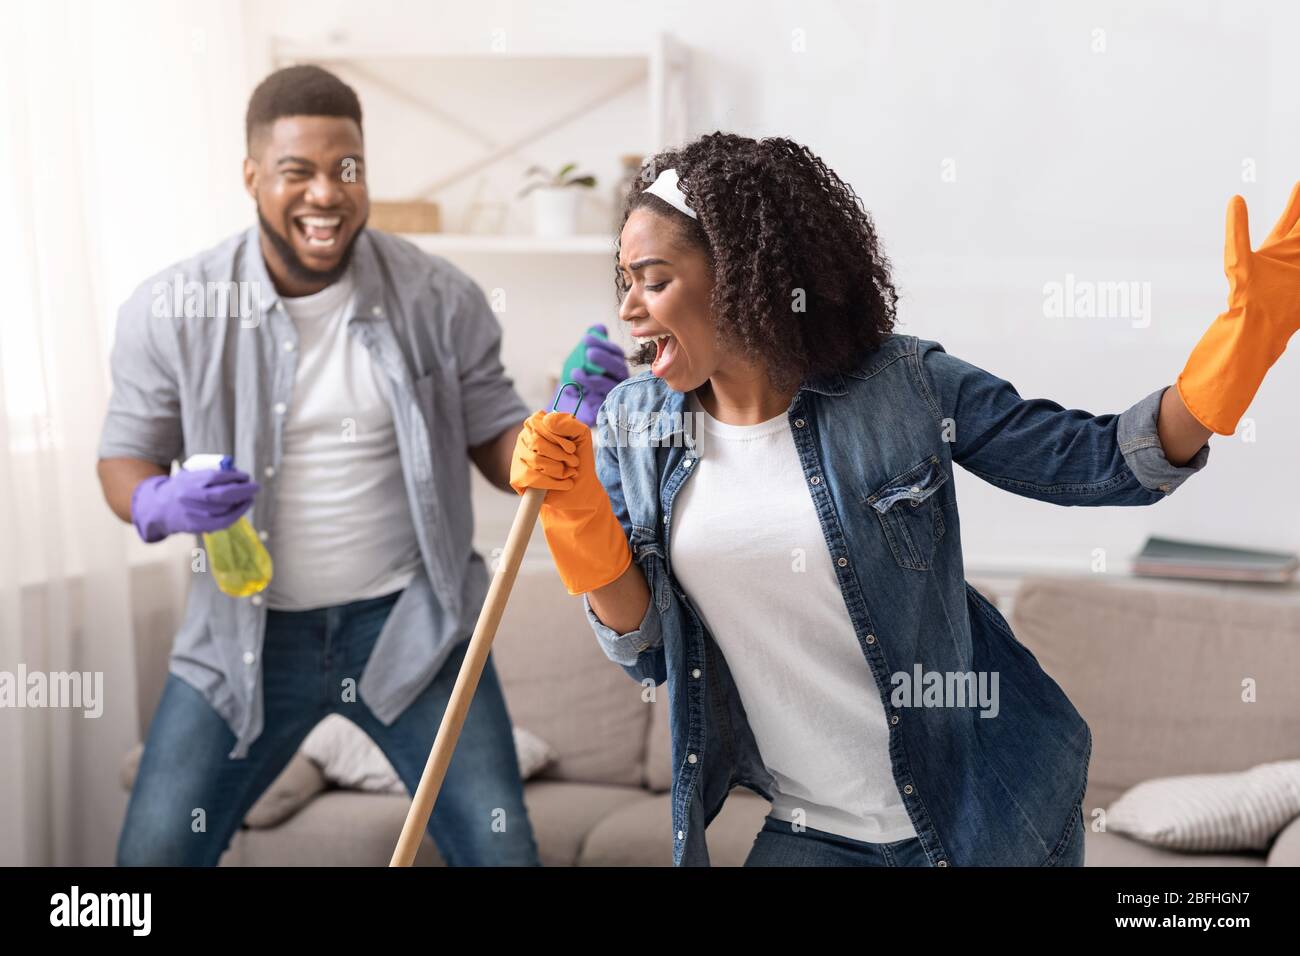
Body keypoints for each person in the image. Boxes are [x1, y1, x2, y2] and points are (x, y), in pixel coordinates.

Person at [510, 131, 1300, 866]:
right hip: (809, 830)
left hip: (979, 820)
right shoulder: (636, 425)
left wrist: (1245, 343)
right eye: (625, 284)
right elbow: (644, 647)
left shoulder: (904, 389)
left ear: (741, 273)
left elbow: (1106, 464)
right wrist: (574, 512)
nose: (628, 308)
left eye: (653, 281)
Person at [96, 64, 627, 866]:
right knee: (149, 860)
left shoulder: (438, 298)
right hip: (245, 637)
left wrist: (562, 422)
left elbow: (499, 446)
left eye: (346, 169)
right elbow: (121, 457)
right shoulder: (173, 307)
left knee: (503, 854)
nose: (325, 193)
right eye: (296, 171)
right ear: (251, 177)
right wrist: (160, 502)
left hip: (410, 627)